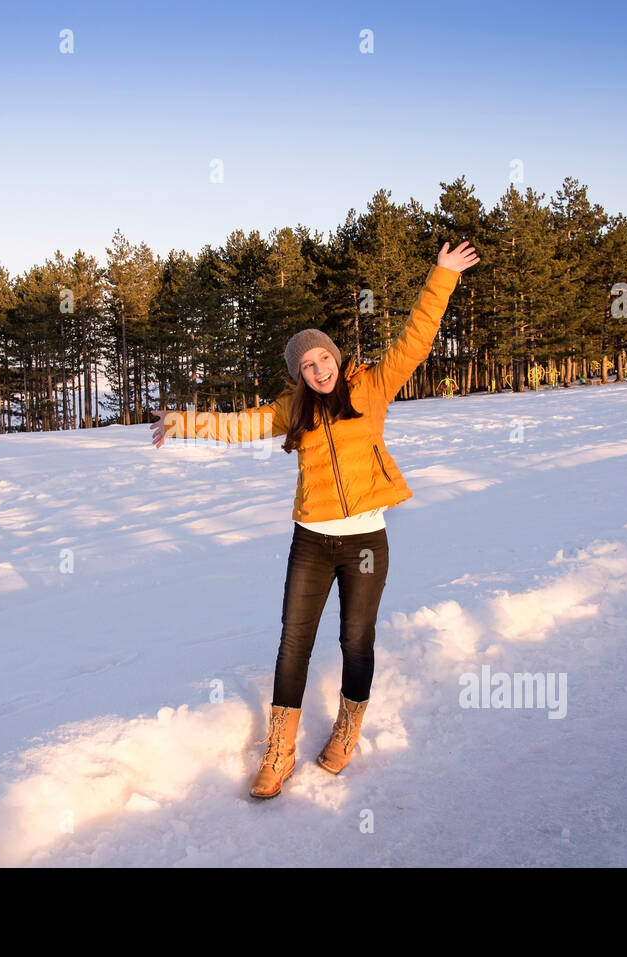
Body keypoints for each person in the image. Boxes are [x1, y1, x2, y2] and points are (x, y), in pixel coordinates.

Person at [150, 241, 479, 799]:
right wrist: (183, 421)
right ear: (299, 374)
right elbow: (238, 425)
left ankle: (349, 727)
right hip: (312, 541)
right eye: (306, 365)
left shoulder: (371, 387)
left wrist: (442, 277)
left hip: (367, 542)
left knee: (356, 640)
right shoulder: (292, 408)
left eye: (322, 358)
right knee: (293, 645)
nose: (318, 369)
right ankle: (279, 751)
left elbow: (416, 341)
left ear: (335, 356)